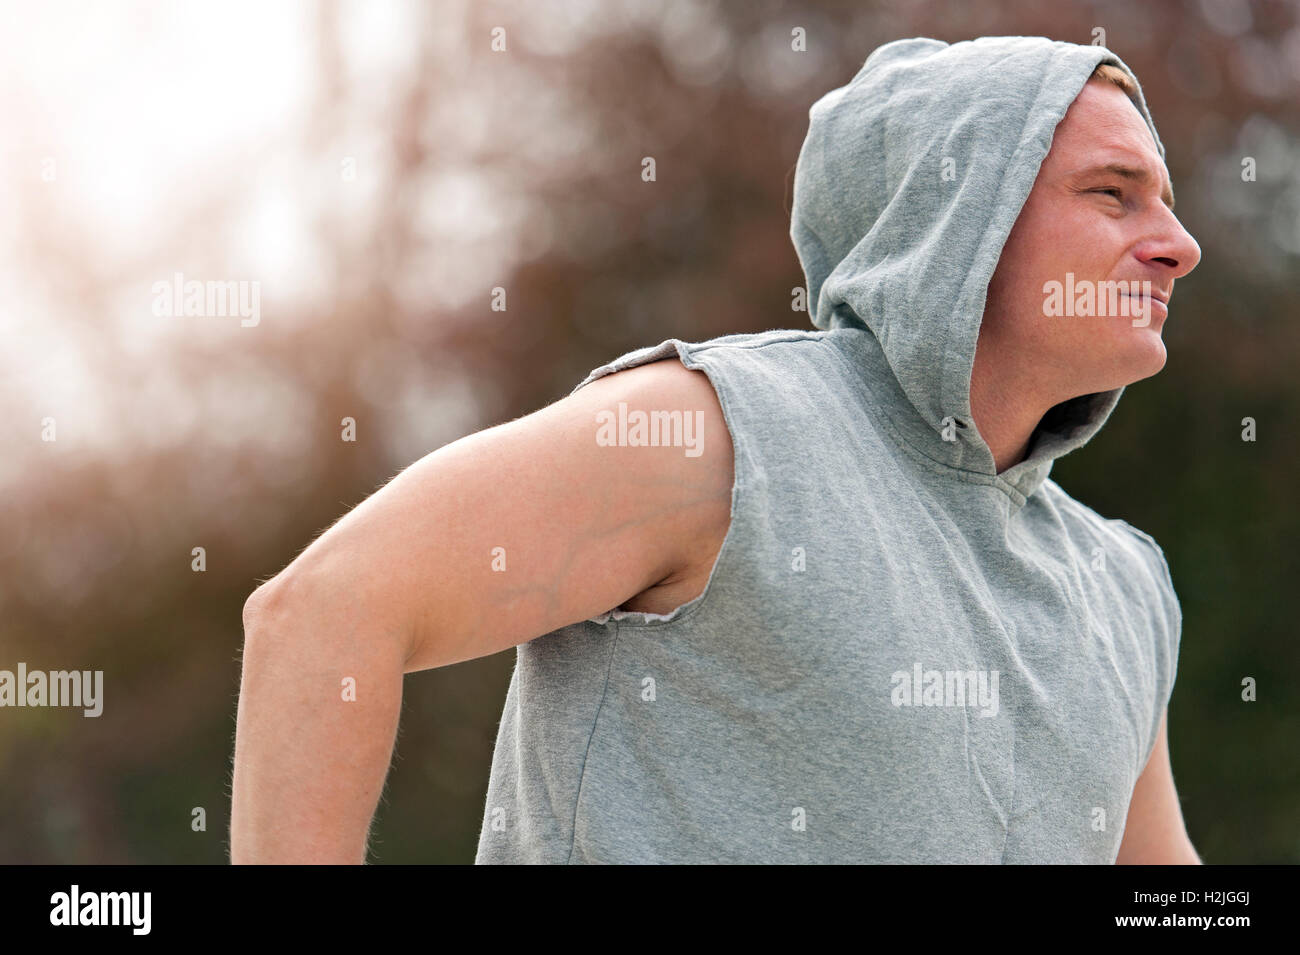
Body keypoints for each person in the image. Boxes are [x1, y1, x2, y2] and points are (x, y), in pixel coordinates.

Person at [231, 35, 1202, 864]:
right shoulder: (719, 435)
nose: (1177, 243)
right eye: (1112, 193)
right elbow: (322, 610)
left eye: (1164, 198)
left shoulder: (1121, 587)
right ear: (956, 219)